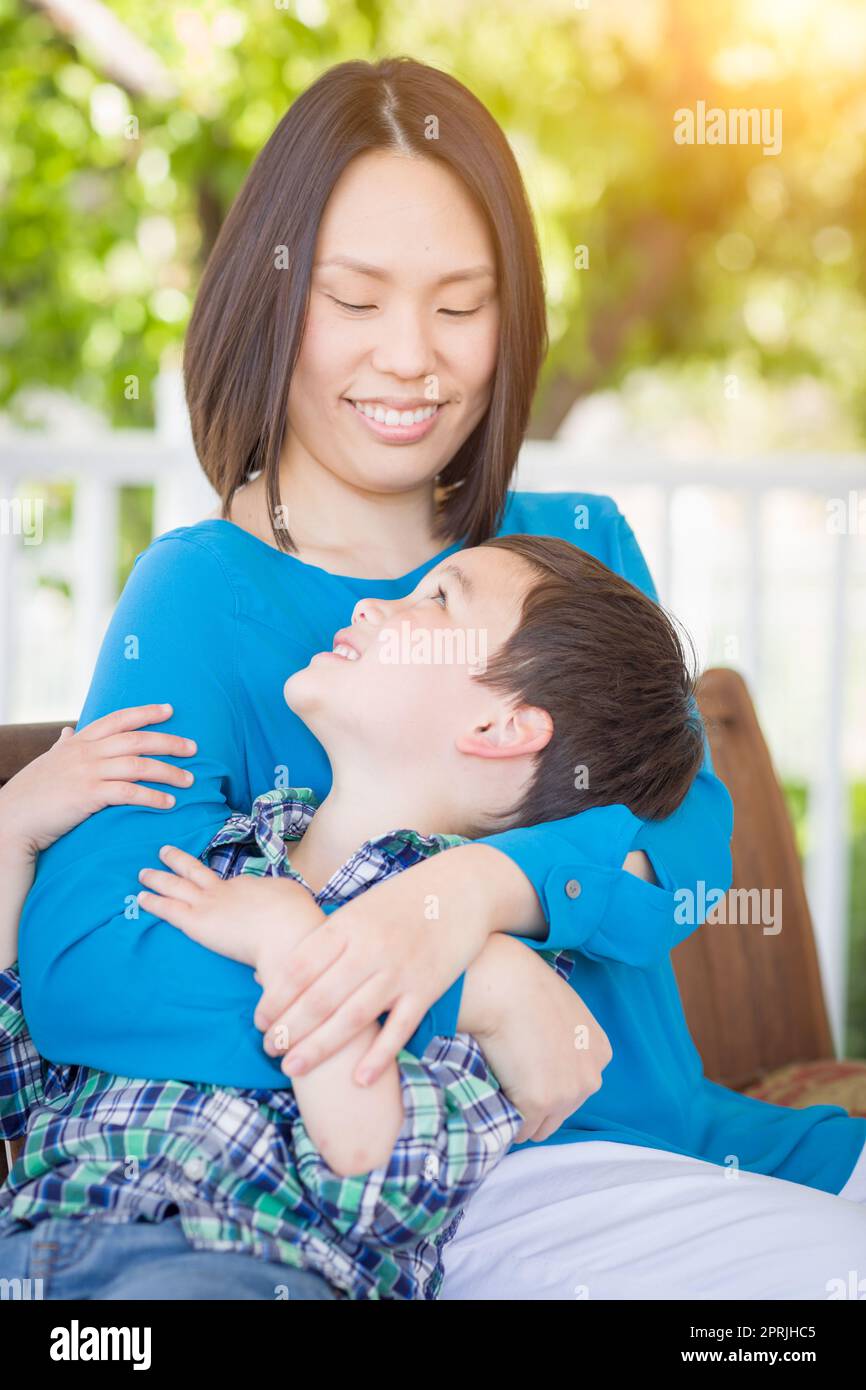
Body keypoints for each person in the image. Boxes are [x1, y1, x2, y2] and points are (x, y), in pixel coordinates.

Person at [12, 57, 866, 1298]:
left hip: (686, 1150)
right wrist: (474, 988)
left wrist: (479, 887)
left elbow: (686, 856)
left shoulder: (568, 545)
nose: (409, 360)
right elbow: (97, 960)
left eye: (459, 307)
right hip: (471, 1204)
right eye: (355, 299)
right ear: (271, 300)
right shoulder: (199, 596)